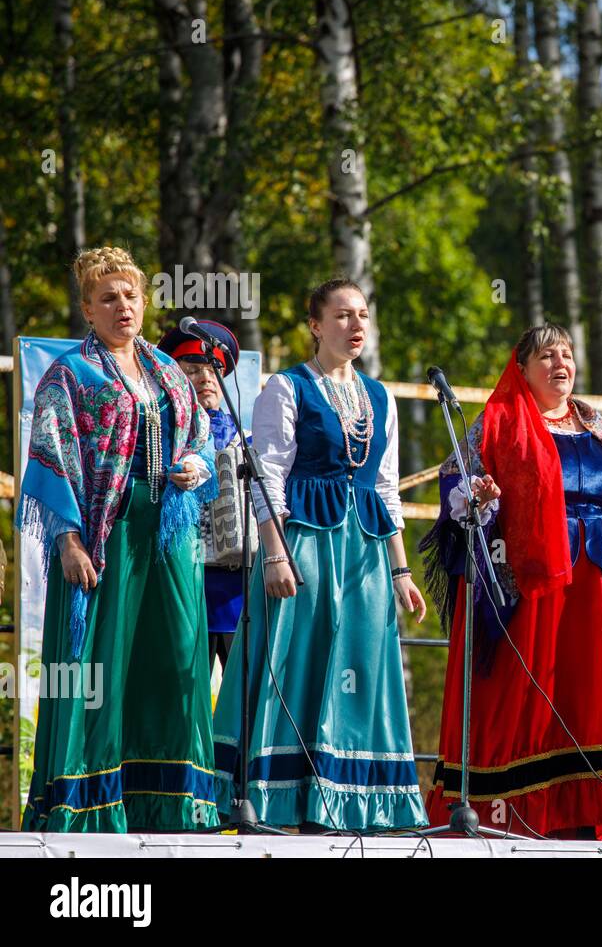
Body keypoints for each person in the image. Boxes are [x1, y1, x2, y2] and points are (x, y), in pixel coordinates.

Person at [421, 322, 602, 841]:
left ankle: (584, 814)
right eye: (547, 355)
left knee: (586, 700)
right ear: (522, 369)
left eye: (567, 354)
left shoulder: (601, 430)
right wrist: (479, 496)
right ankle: (507, 814)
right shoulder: (499, 423)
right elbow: (454, 487)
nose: (561, 364)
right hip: (527, 588)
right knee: (524, 699)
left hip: (591, 589)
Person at [211, 278, 428, 832]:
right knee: (296, 658)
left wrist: (402, 570)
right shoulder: (285, 389)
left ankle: (359, 801)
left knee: (362, 664)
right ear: (315, 325)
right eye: (341, 316)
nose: (355, 326)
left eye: (361, 316)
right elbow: (268, 478)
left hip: (366, 553)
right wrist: (276, 554)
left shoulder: (380, 397)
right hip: (304, 540)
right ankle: (282, 799)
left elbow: (385, 487)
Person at [19, 245, 218, 832]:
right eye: (108, 297)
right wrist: (69, 541)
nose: (123, 306)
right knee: (101, 666)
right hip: (107, 533)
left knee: (175, 655)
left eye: (131, 295)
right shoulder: (70, 374)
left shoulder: (164, 368)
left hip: (169, 529)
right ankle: (92, 807)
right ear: (87, 307)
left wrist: (197, 466)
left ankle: (171, 805)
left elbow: (202, 436)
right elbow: (50, 457)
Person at [159, 319, 245, 671]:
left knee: (244, 702)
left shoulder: (248, 438)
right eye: (193, 369)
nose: (207, 377)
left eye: (214, 369)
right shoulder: (163, 434)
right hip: (182, 579)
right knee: (181, 689)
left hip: (236, 588)